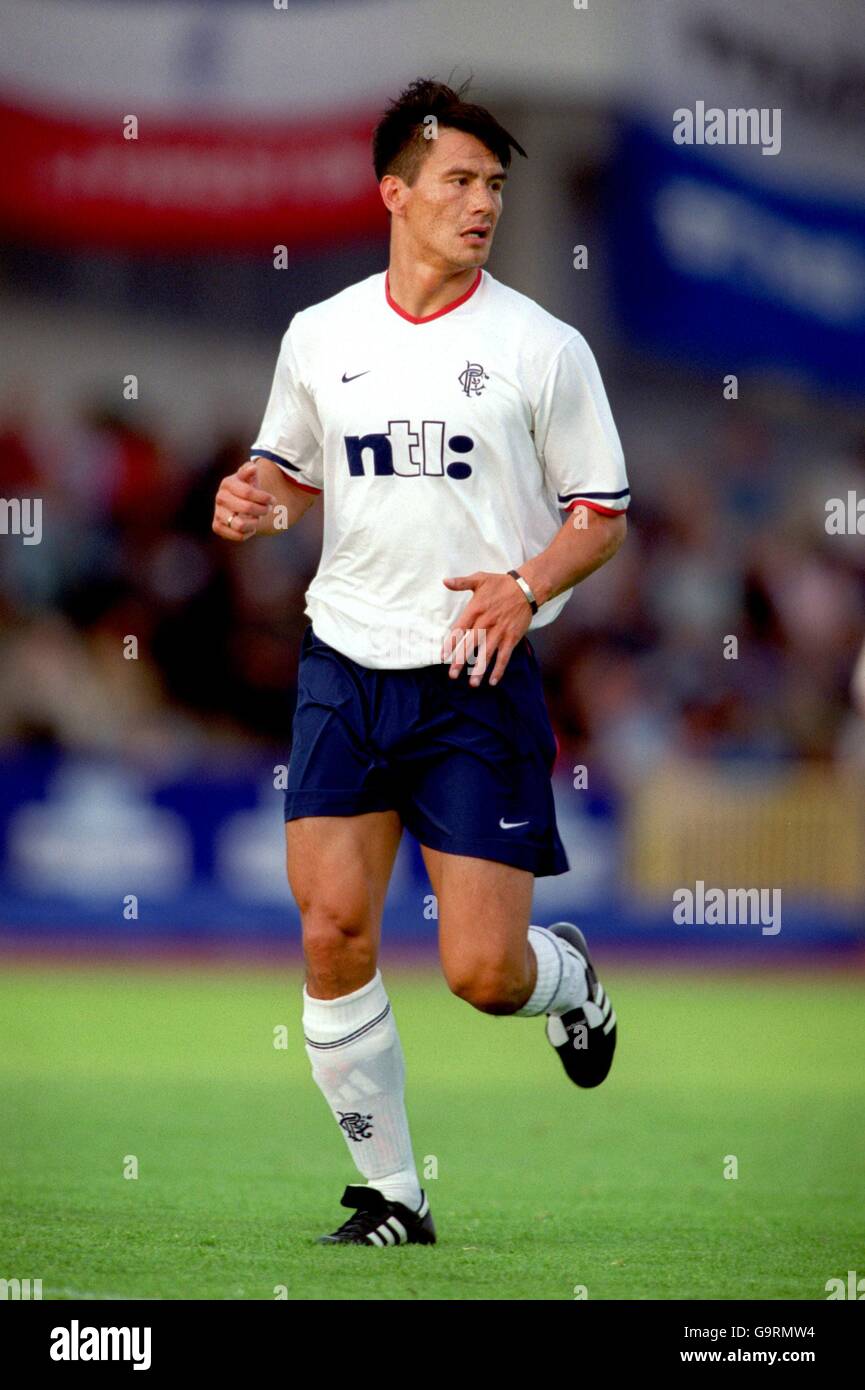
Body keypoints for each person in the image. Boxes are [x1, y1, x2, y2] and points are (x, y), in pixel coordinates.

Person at [212, 78, 629, 1247]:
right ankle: (392, 1193)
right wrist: (260, 497)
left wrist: (527, 583)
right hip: (343, 663)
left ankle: (571, 979)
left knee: (484, 973)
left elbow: (601, 514)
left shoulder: (542, 348)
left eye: (495, 183)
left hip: (475, 675)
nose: (482, 201)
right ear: (394, 191)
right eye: (459, 179)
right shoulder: (320, 334)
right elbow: (293, 475)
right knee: (333, 928)